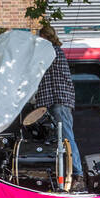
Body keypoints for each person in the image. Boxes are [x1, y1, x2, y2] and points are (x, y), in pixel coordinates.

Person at [33, 22, 82, 188]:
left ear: (46, 37)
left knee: (66, 138)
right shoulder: (56, 52)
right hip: (57, 101)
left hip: (57, 101)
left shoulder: (50, 51)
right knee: (59, 140)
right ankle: (64, 174)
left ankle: (77, 173)